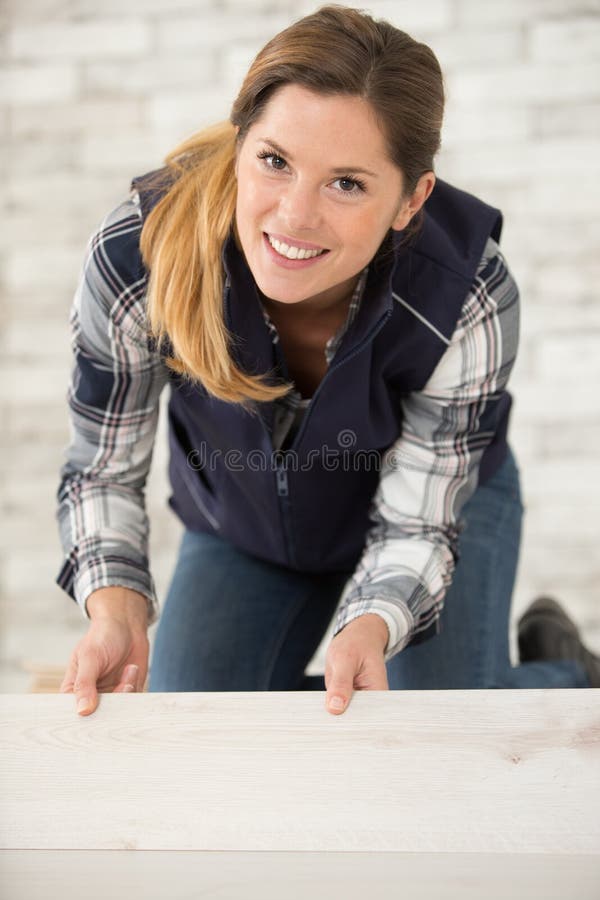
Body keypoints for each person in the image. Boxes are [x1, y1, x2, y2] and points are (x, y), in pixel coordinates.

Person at [57, 5, 598, 719]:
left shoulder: (467, 291)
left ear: (411, 199)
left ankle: (567, 675)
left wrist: (371, 622)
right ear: (241, 142)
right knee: (198, 727)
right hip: (244, 522)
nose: (294, 216)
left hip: (432, 506)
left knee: (428, 730)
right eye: (275, 162)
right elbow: (101, 466)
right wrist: (115, 606)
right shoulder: (137, 257)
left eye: (347, 183)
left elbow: (419, 523)